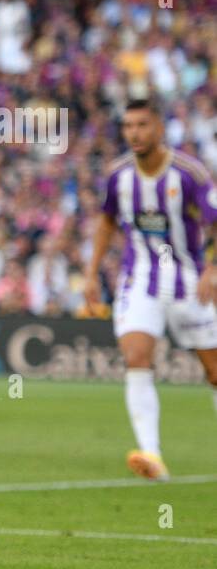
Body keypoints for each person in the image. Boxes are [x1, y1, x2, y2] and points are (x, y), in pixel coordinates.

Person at [84, 99, 217, 481]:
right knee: (136, 356)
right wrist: (91, 273)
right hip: (140, 277)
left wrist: (213, 268)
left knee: (213, 371)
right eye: (127, 126)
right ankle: (152, 456)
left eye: (142, 125)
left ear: (159, 128)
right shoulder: (118, 175)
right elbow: (106, 221)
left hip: (189, 280)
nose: (134, 133)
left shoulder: (189, 174)